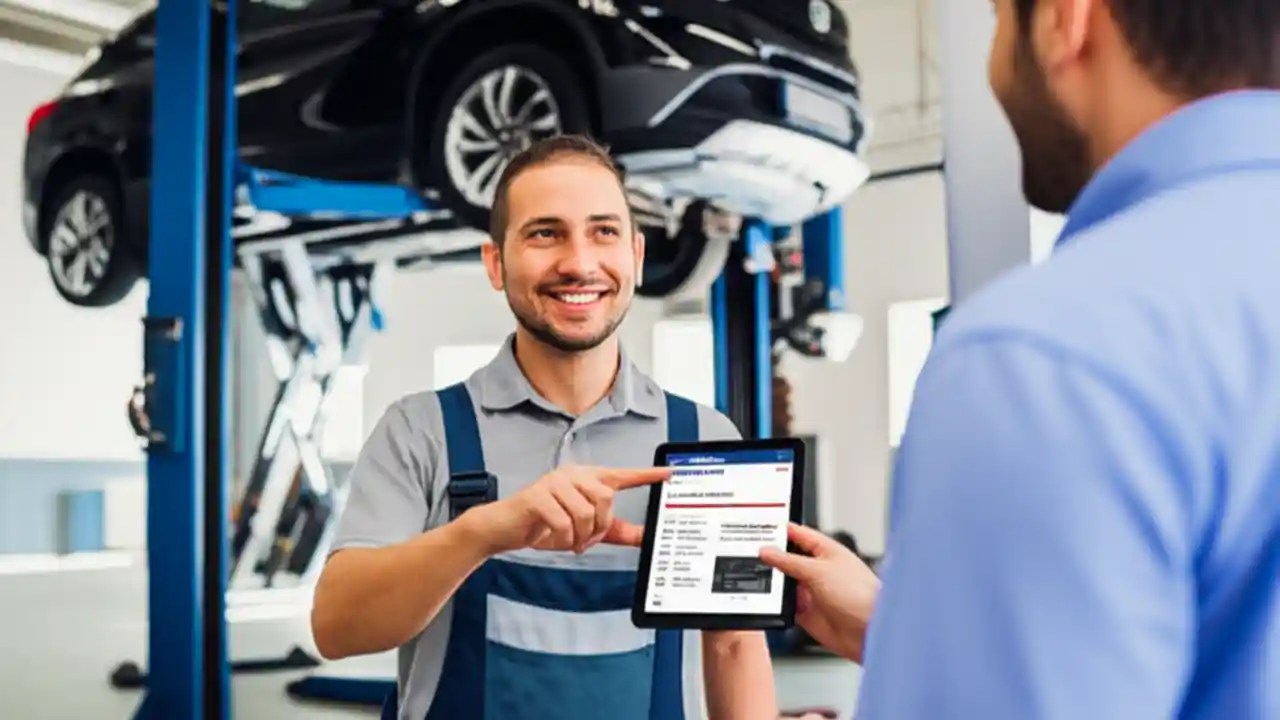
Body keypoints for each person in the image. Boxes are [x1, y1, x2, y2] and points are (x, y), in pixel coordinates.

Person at [760, 0, 1280, 718]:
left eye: (1000, 21)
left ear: (1067, 20)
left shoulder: (1046, 356)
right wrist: (906, 635)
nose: (994, 64)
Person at [311, 135, 776, 720]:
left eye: (603, 231)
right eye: (544, 233)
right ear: (496, 263)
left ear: (635, 255)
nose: (579, 262)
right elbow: (337, 628)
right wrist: (481, 533)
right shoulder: (419, 432)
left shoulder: (706, 443)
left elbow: (733, 645)